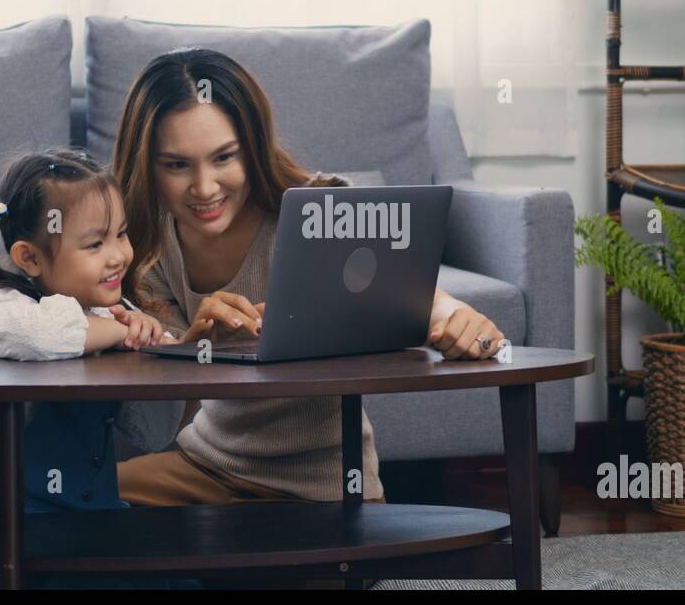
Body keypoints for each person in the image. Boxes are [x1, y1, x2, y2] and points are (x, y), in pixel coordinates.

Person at [111, 47, 507, 509]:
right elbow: (159, 412)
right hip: (206, 467)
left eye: (224, 157)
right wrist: (196, 350)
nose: (203, 188)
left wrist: (462, 318)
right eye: (177, 165)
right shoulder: (142, 244)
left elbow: (418, 300)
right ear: (148, 166)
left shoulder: (322, 209)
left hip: (325, 486)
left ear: (253, 145)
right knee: (58, 504)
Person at [0, 147, 191, 589]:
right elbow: (37, 335)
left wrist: (156, 355)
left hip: (90, 528)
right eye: (94, 243)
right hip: (0, 534)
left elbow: (152, 433)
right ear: (30, 258)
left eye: (120, 234)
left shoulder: (112, 317)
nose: (118, 256)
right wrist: (118, 333)